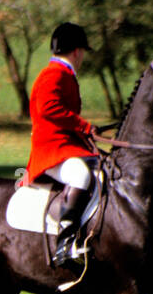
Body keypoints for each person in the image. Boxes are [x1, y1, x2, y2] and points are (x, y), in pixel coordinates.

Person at [23, 22, 101, 269]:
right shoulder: (54, 74)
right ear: (77, 51)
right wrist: (84, 126)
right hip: (51, 152)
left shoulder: (62, 73)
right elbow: (49, 108)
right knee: (80, 175)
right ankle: (64, 243)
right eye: (83, 52)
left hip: (66, 148)